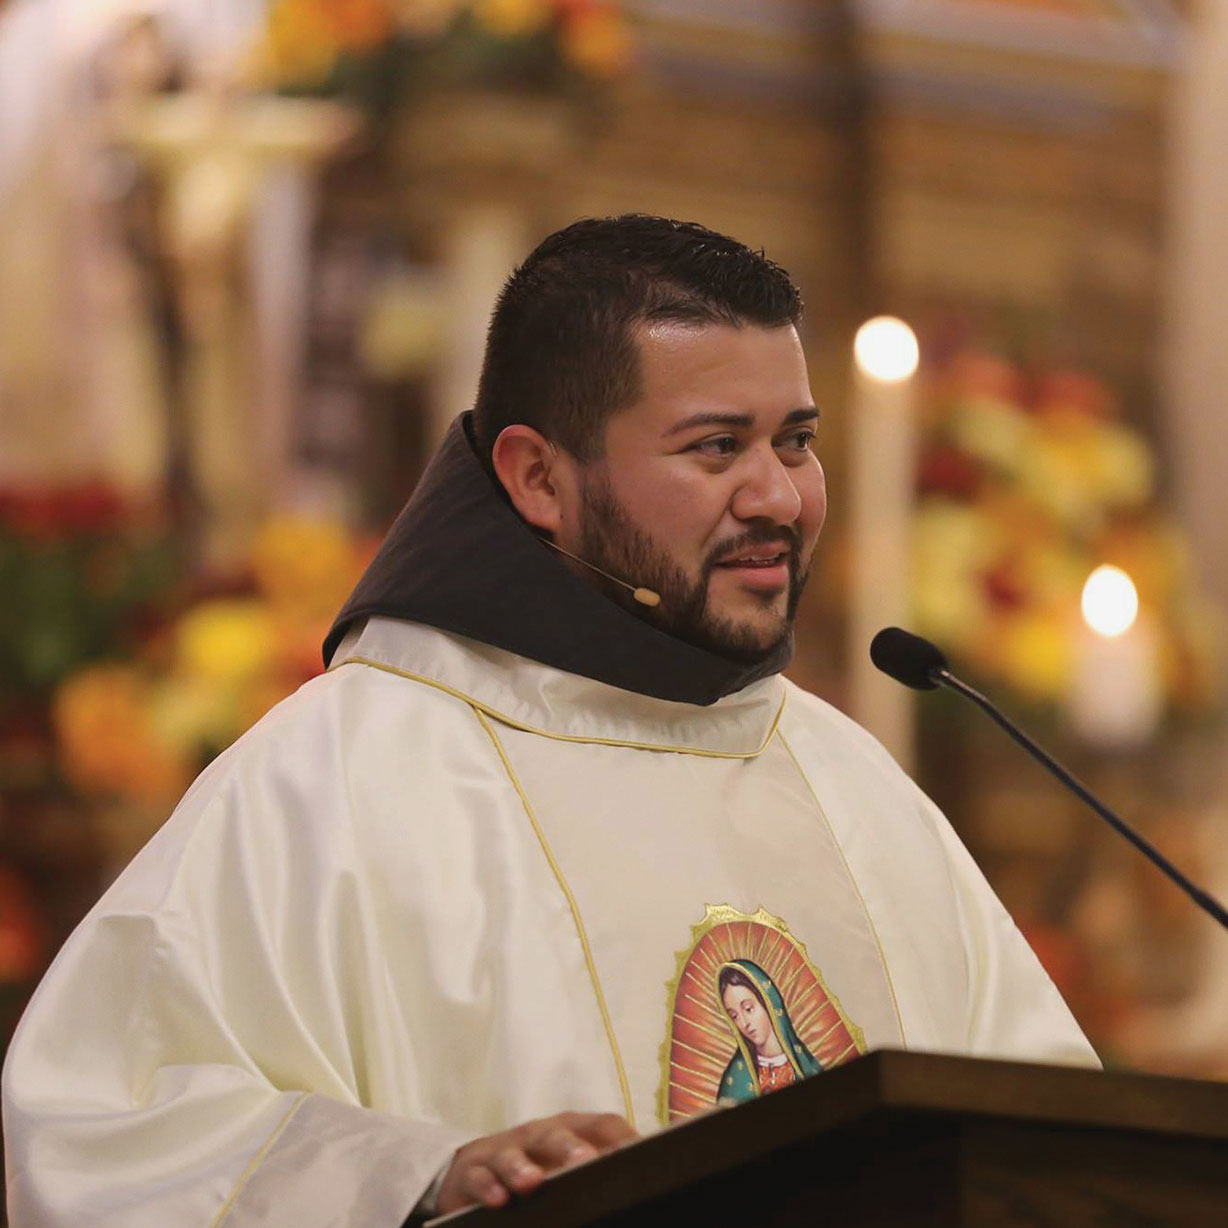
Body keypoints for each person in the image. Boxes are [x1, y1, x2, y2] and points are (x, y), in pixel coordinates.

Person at [2, 215, 1098, 1226]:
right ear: (537, 476)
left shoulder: (843, 780)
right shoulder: (340, 774)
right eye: (717, 446)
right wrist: (420, 1177)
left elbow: (1055, 1150)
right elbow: (109, 1129)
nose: (779, 496)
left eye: (796, 441)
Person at [716, 961, 822, 1103]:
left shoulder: (805, 1066)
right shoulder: (736, 1077)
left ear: (768, 1002)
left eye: (748, 1009)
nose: (744, 1023)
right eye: (734, 1016)